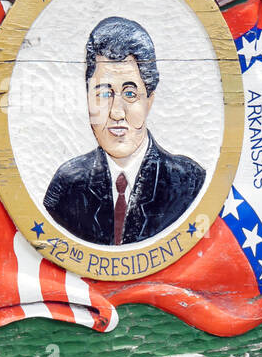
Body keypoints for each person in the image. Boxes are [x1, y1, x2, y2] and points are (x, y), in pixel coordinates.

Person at [43, 16, 205, 245]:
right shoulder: (67, 186)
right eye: (103, 94)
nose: (116, 113)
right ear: (87, 97)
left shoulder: (188, 182)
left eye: (130, 94)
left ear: (149, 100)